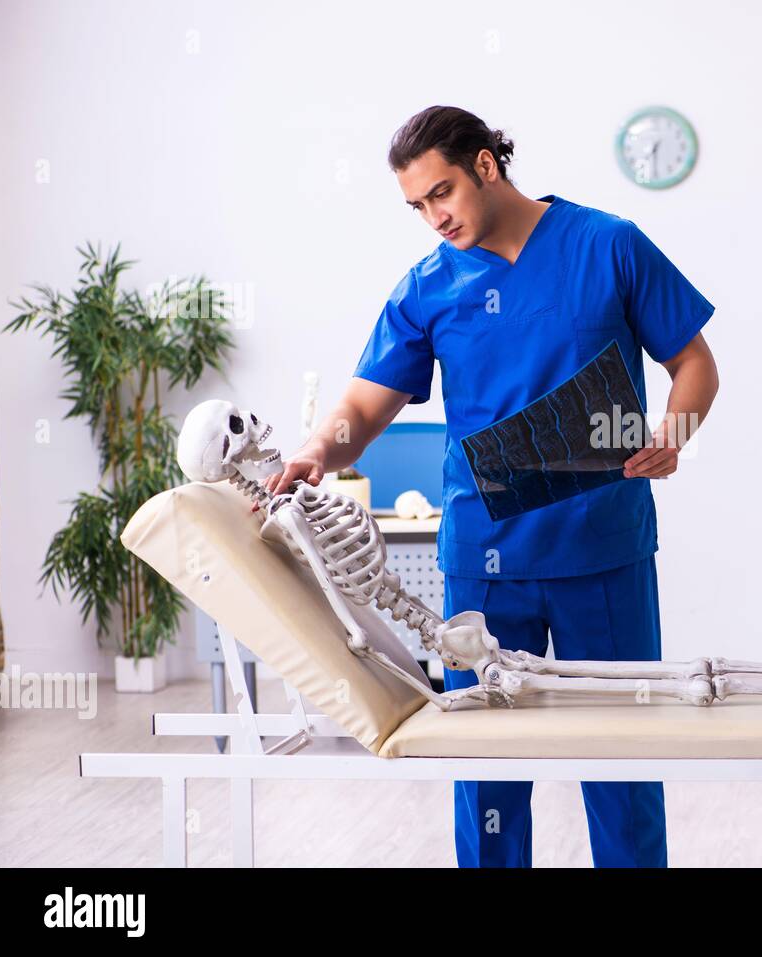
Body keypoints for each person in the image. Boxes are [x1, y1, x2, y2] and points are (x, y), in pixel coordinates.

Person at [264, 105, 719, 867]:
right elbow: (364, 404)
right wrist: (317, 450)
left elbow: (694, 363)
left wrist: (673, 434)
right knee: (486, 774)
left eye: (441, 193)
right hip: (484, 565)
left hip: (603, 553)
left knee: (624, 765)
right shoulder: (429, 288)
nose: (433, 217)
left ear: (485, 165)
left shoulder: (608, 246)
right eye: (416, 206)